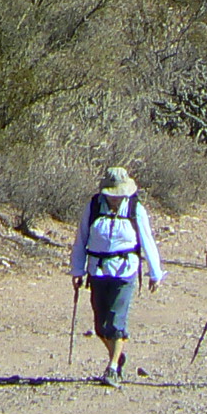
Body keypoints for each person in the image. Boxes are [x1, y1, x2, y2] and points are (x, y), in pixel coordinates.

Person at [70, 166, 165, 387]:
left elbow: (147, 240)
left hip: (125, 271)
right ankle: (117, 354)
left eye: (119, 194)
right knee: (100, 327)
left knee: (116, 321)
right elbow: (81, 239)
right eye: (112, 195)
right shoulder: (93, 207)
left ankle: (113, 368)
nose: (116, 199)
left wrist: (155, 273)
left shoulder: (135, 208)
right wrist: (77, 270)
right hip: (98, 270)